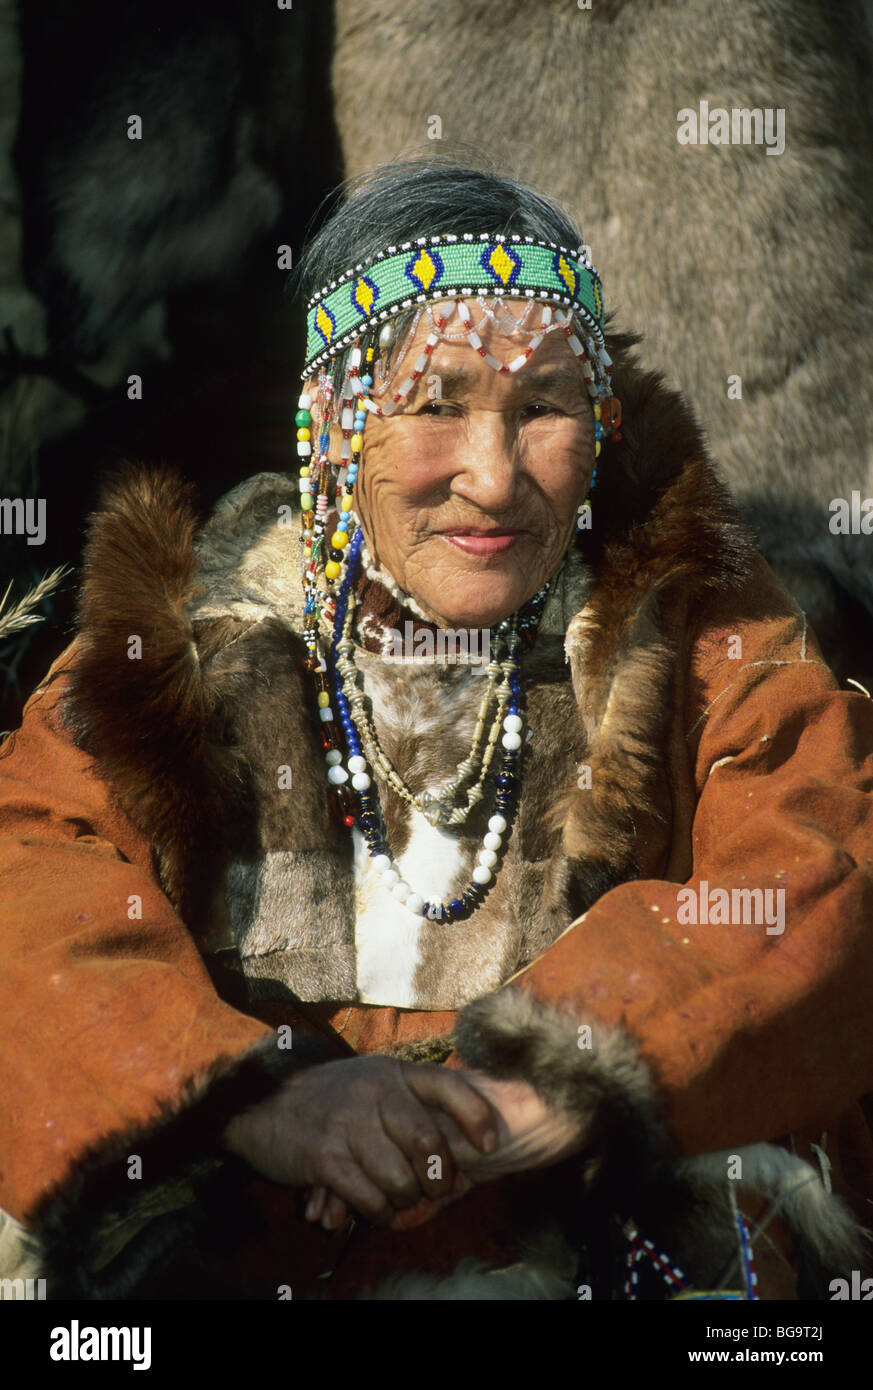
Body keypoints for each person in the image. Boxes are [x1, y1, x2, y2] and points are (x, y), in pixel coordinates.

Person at [1, 161, 872, 1301]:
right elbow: (31, 884)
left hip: (602, 1225)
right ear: (333, 425)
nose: (495, 476)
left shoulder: (699, 621)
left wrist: (558, 1081)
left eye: (545, 407)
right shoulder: (170, 647)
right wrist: (258, 1096)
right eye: (435, 404)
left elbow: (825, 867)